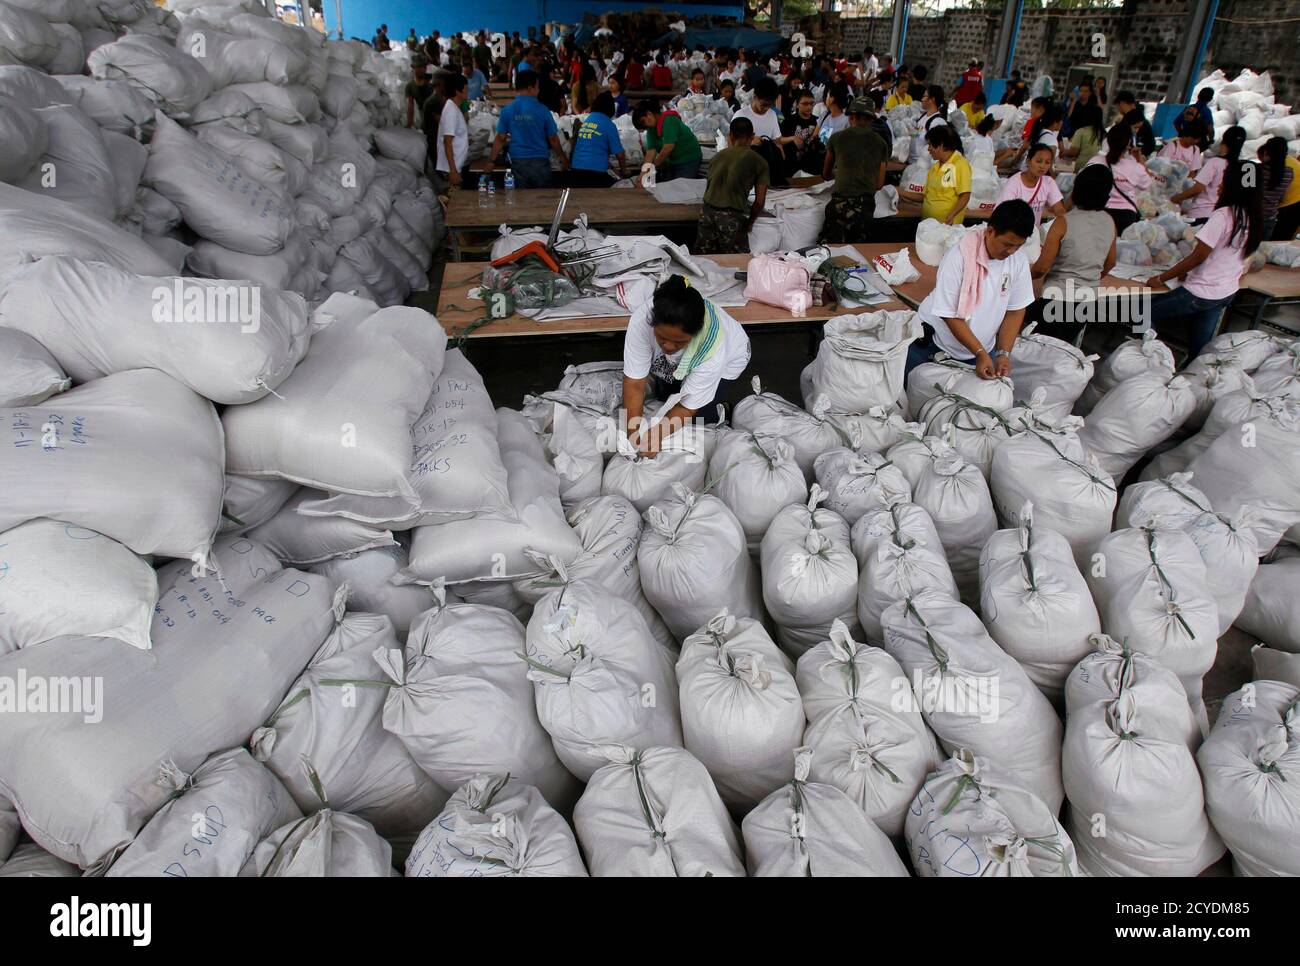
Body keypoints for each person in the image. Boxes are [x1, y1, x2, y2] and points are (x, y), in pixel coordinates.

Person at [906, 199, 1037, 381]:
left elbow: (1015, 311)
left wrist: (1002, 353)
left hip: (980, 350)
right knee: (917, 395)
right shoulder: (958, 257)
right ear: (990, 231)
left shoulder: (1018, 261)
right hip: (933, 345)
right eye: (1007, 244)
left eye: (1018, 245)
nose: (1012, 251)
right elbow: (949, 314)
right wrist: (980, 352)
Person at [1147, 160, 1263, 362]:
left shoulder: (1223, 216)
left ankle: (1150, 361)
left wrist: (1161, 278)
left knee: (1143, 312)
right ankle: (1194, 371)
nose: (1219, 186)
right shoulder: (1252, 217)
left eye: (1223, 181)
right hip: (1225, 291)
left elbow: (1199, 255)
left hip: (1200, 291)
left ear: (1234, 186)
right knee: (1200, 342)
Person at [622, 276, 752, 451]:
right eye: (661, 337)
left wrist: (657, 436)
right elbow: (635, 383)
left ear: (694, 335)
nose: (667, 346)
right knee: (666, 397)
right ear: (653, 324)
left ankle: (721, 410)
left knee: (700, 419)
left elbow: (687, 407)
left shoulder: (712, 351)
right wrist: (633, 432)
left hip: (731, 359)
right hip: (686, 360)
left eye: (679, 342)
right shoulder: (641, 322)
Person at [1027, 163, 1118, 344]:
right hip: (1087, 300)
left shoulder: (1063, 223)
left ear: (1077, 190)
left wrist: (1019, 275)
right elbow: (1111, 263)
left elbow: (1041, 268)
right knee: (1061, 349)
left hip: (1056, 299)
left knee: (1033, 341)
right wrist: (1089, 277)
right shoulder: (1109, 222)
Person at [695, 117, 769, 254]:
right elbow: (759, 202)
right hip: (731, 216)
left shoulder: (716, 157)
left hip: (706, 213)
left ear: (731, 136)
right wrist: (750, 222)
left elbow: (710, 187)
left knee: (704, 260)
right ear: (752, 137)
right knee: (736, 263)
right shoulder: (759, 162)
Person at [821, 96, 888, 244]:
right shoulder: (881, 143)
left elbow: (825, 174)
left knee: (831, 247)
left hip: (839, 205)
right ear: (871, 119)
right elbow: (879, 184)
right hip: (865, 207)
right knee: (858, 251)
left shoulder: (837, 138)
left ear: (851, 117)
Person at [484, 73, 567, 188]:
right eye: (537, 87)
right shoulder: (543, 110)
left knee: (521, 201)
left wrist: (491, 161)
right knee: (542, 200)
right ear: (530, 88)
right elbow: (553, 138)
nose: (538, 90)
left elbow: (500, 138)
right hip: (540, 163)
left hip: (518, 163)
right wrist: (561, 157)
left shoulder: (507, 110)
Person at [1085, 123, 1151, 234]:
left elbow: (1082, 183)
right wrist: (1139, 161)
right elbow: (1147, 184)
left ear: (1108, 141)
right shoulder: (1135, 167)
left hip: (1098, 212)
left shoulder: (1095, 161)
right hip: (1126, 216)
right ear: (1128, 143)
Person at [1171, 125, 1244, 225]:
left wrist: (1176, 198)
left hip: (1202, 213)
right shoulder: (1240, 167)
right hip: (1222, 216)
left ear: (1223, 142)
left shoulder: (1215, 162)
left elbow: (1198, 188)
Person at [998, 142, 1066, 228]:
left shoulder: (1048, 182)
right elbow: (1004, 213)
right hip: (1013, 231)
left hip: (1033, 234)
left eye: (1047, 162)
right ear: (1028, 161)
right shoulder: (1013, 183)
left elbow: (1059, 209)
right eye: (1038, 161)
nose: (1042, 166)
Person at [634, 99, 703, 182]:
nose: (645, 126)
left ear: (649, 114)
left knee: (682, 188)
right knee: (669, 186)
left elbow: (668, 147)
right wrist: (642, 175)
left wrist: (654, 165)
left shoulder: (669, 120)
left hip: (689, 159)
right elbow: (650, 153)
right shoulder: (651, 129)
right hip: (673, 161)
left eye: (643, 121)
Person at [569, 92, 627, 187]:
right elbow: (620, 154)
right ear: (610, 107)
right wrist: (624, 170)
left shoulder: (587, 120)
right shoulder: (608, 124)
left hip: (576, 169)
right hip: (595, 172)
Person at [921, 124, 972, 225]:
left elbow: (965, 195)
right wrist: (900, 192)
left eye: (930, 145)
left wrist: (952, 214)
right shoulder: (935, 167)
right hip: (928, 226)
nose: (928, 149)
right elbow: (925, 196)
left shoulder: (960, 164)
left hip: (946, 228)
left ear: (940, 145)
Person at [435, 74, 470, 194]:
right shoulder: (451, 111)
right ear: (457, 91)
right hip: (451, 168)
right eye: (466, 89)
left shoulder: (454, 108)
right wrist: (453, 171)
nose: (468, 91)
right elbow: (447, 141)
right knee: (454, 201)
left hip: (455, 165)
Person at [1258, 136, 1294, 238]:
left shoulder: (1255, 170)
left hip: (1252, 218)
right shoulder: (1289, 173)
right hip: (1270, 219)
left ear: (1266, 153)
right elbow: (1282, 197)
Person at [779, 88, 820, 177]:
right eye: (805, 104)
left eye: (812, 103)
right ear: (797, 104)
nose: (809, 107)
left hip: (813, 167)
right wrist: (793, 138)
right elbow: (779, 140)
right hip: (792, 168)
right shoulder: (788, 120)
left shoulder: (818, 121)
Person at [909, 84, 948, 164]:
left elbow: (936, 150)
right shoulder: (923, 116)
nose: (922, 99)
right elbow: (914, 135)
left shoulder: (937, 122)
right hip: (911, 162)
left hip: (921, 165)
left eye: (924, 96)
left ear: (932, 99)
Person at [736, 77, 782, 142]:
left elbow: (777, 141)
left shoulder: (772, 114)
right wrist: (750, 143)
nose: (767, 108)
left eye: (770, 105)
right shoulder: (741, 116)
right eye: (764, 105)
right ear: (755, 97)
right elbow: (732, 144)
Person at [1059, 102, 1104, 167]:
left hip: (1081, 166)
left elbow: (1073, 152)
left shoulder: (1081, 131)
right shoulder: (1103, 133)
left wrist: (1063, 153)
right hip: (1097, 166)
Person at [1273, 147, 1300, 240]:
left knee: (1280, 236)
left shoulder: (1286, 167)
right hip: (1292, 203)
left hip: (1291, 205)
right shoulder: (1293, 163)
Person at [815, 81, 851, 148]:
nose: (826, 98)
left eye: (827, 95)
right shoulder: (825, 115)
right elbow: (818, 138)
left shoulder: (847, 121)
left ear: (832, 99)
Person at [404, 56, 435, 130]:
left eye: (423, 67)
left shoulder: (433, 80)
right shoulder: (410, 86)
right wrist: (409, 124)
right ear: (413, 68)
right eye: (418, 67)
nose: (421, 69)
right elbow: (410, 107)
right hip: (424, 115)